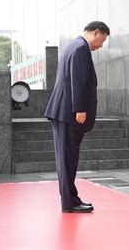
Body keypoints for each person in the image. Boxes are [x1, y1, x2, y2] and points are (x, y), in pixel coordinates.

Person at [44, 21, 109, 213]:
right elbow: (77, 80)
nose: (101, 46)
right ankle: (70, 202)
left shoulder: (72, 45)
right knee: (68, 159)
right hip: (69, 114)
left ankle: (70, 199)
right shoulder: (81, 48)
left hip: (62, 112)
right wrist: (80, 109)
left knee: (65, 159)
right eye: (102, 40)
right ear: (96, 33)